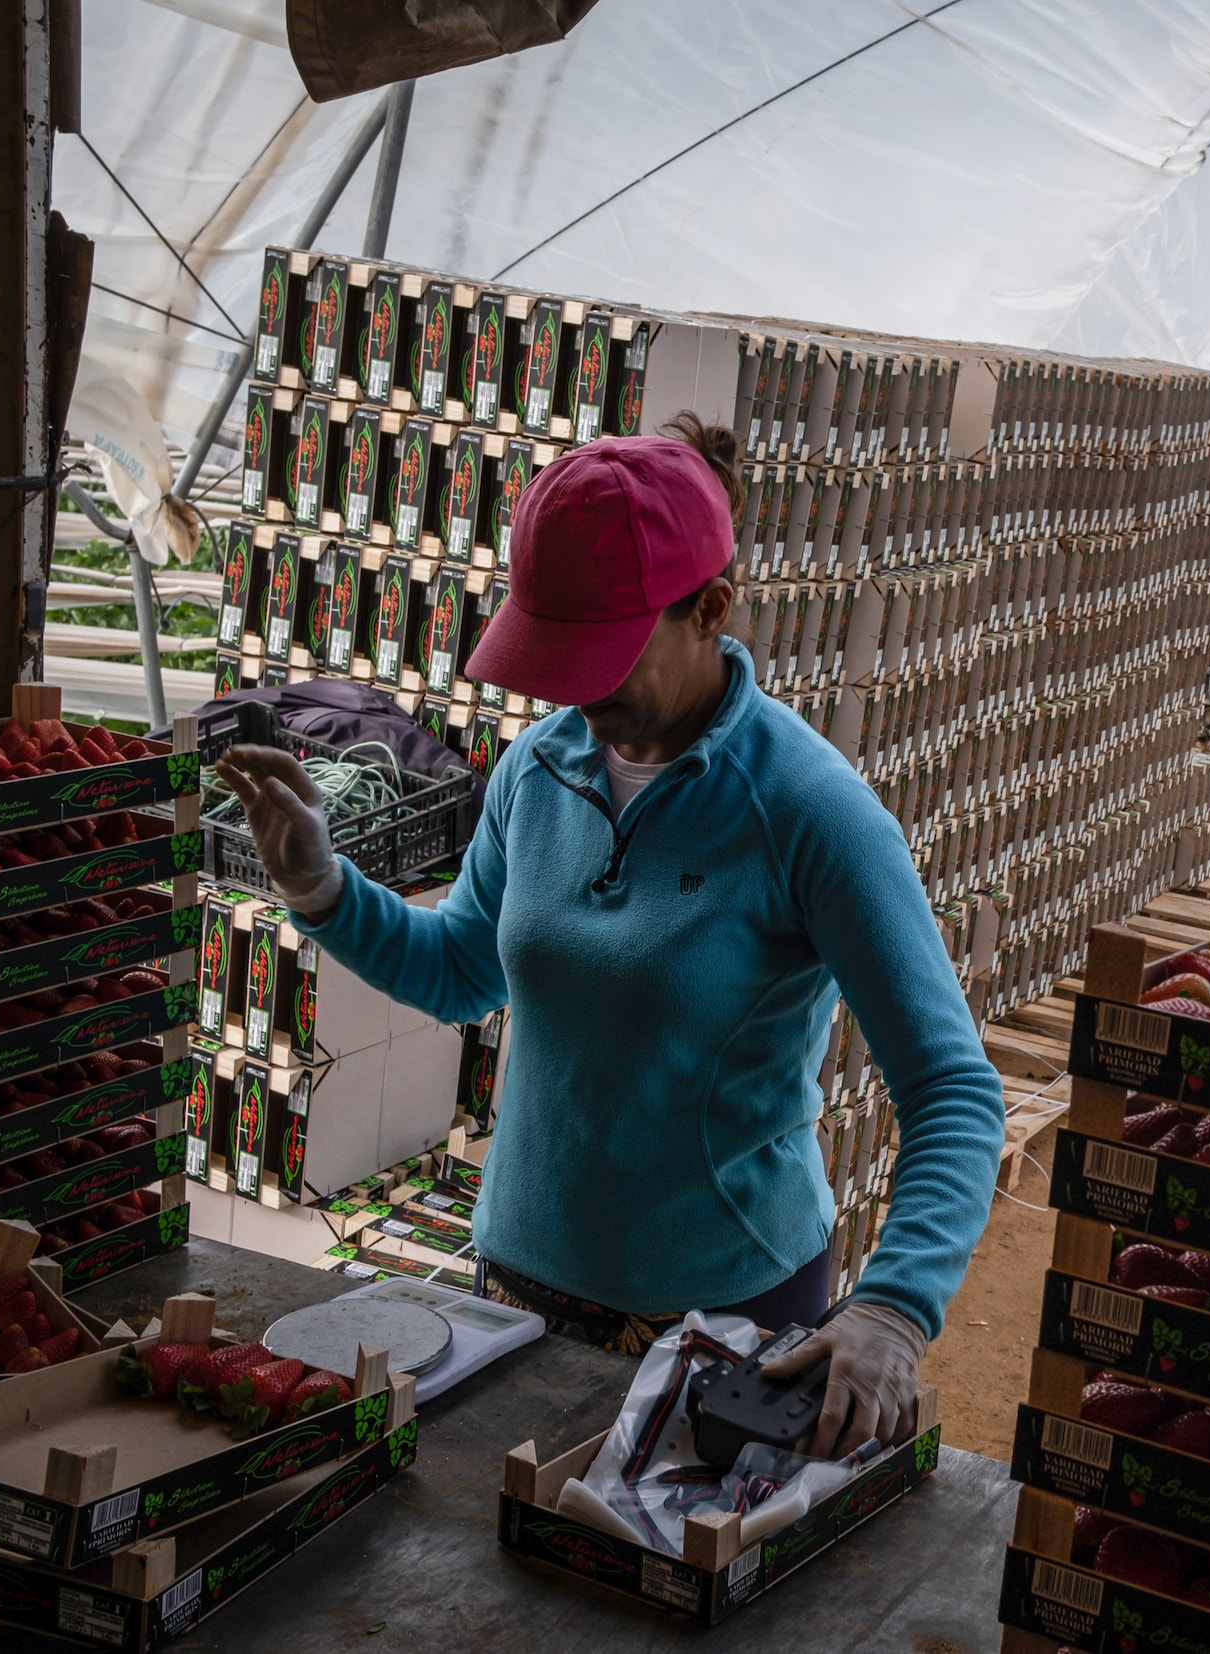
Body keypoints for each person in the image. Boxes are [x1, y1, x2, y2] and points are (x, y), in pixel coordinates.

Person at [214, 419, 1006, 1457]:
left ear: (710, 610)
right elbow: (460, 974)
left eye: (602, 657)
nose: (575, 696)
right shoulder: (539, 769)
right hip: (517, 1274)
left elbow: (951, 1087)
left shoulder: (808, 811)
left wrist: (895, 1306)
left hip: (725, 1311)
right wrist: (321, 886)